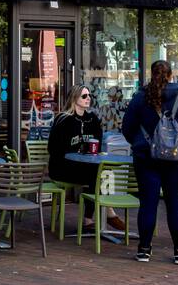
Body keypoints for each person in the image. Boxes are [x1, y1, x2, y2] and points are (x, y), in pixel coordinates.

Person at [120, 61, 178, 264]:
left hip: (146, 159)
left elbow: (127, 128)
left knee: (148, 204)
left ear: (151, 74)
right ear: (171, 75)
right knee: (175, 205)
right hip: (176, 159)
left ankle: (144, 249)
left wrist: (140, 144)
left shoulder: (140, 98)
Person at [48, 84, 126, 232]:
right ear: (74, 98)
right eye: (84, 96)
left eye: (89, 95)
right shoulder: (63, 120)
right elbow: (53, 149)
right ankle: (106, 214)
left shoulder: (93, 119)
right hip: (62, 167)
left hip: (85, 165)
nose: (88, 98)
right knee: (97, 174)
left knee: (103, 172)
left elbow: (97, 144)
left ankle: (93, 217)